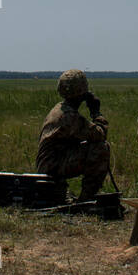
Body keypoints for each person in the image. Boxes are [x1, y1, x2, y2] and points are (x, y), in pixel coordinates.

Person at [35, 69, 110, 201]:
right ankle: (87, 200)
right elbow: (100, 134)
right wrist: (96, 112)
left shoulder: (60, 109)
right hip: (52, 167)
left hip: (49, 164)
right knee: (100, 148)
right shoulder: (69, 116)